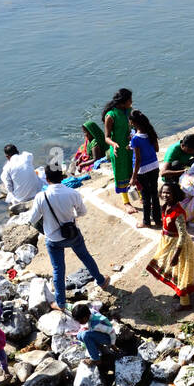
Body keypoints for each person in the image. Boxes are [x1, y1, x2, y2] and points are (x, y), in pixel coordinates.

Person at [28, 165, 110, 310]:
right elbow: (82, 212)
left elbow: (33, 219)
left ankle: (60, 303)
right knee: (85, 257)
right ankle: (101, 281)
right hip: (72, 234)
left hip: (53, 239)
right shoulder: (72, 193)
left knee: (58, 269)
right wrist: (71, 217)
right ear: (63, 176)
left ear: (46, 179)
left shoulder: (41, 197)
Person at [146, 181, 194, 308]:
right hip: (168, 243)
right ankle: (180, 292)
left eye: (169, 193)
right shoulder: (165, 207)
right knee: (174, 270)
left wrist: (176, 255)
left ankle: (185, 303)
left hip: (179, 246)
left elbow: (183, 235)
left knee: (181, 270)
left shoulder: (178, 213)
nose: (165, 195)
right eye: (164, 192)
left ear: (175, 195)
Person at [102, 88, 135, 213]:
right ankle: (126, 201)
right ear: (123, 101)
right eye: (130, 100)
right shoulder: (111, 116)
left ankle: (140, 196)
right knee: (122, 174)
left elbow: (135, 126)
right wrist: (114, 144)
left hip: (131, 146)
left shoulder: (129, 111)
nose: (132, 102)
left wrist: (134, 133)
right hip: (118, 150)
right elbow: (107, 137)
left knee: (134, 171)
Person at [71, 302, 117, 386]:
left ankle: (96, 359)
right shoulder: (90, 312)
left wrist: (113, 344)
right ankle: (95, 347)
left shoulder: (97, 324)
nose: (80, 323)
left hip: (107, 338)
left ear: (85, 317)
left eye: (80, 321)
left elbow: (111, 331)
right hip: (99, 333)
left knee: (85, 335)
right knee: (80, 335)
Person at [127, 110, 161, 228]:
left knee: (146, 196)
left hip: (143, 171)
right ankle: (158, 219)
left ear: (132, 122)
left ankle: (146, 222)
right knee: (154, 194)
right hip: (154, 166)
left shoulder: (135, 139)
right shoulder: (150, 132)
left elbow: (138, 160)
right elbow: (156, 149)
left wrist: (133, 177)